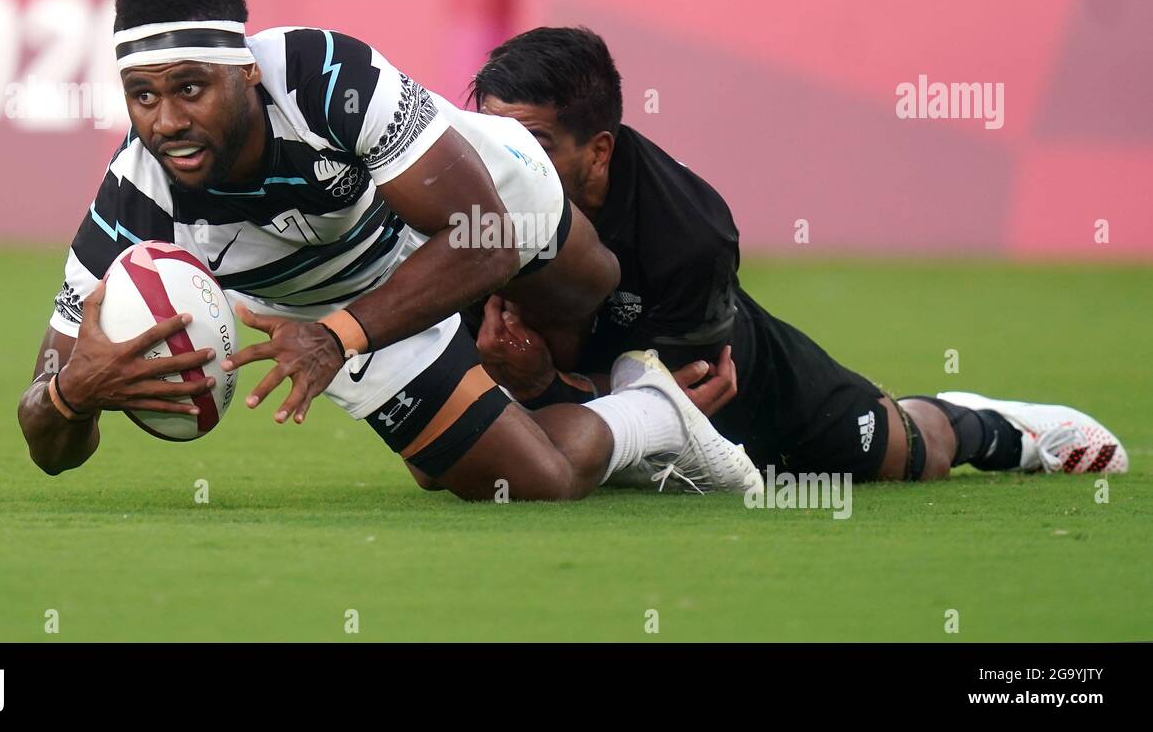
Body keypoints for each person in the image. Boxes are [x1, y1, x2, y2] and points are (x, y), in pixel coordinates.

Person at [16, 0, 763, 501]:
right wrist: (71, 395)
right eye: (142, 97)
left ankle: (584, 373)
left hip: (469, 194)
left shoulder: (323, 77)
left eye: (189, 88)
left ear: (244, 70)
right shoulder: (131, 202)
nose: (167, 121)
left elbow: (484, 235)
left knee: (588, 287)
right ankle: (655, 415)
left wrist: (336, 338)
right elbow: (48, 446)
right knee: (537, 484)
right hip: (338, 299)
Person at [467, 26, 1128, 485]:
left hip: (748, 395)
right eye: (494, 138)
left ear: (600, 151)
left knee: (903, 454)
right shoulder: (462, 204)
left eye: (534, 143)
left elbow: (681, 398)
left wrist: (537, 386)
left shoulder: (688, 233)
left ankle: (991, 427)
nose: (508, 163)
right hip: (587, 410)